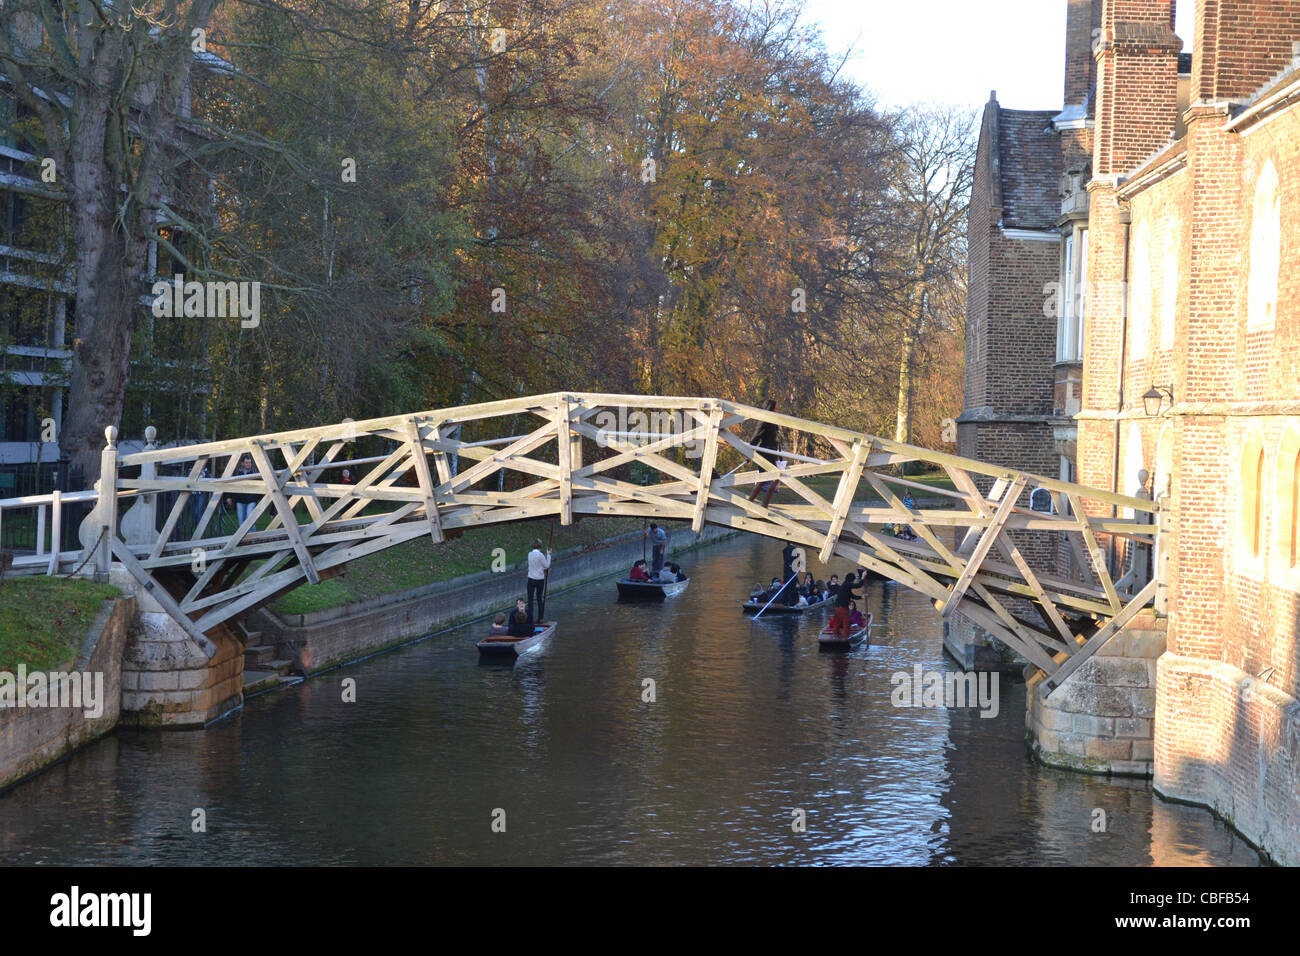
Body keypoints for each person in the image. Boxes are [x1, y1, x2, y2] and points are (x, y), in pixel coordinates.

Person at [747, 399, 781, 504]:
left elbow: (775, 439)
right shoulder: (763, 422)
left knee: (774, 479)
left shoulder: (774, 422)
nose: (777, 410)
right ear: (771, 408)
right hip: (764, 453)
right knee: (767, 479)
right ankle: (752, 503)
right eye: (775, 408)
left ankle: (762, 504)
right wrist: (748, 454)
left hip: (773, 453)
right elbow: (755, 438)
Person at [228, 453, 259, 528]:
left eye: (250, 462)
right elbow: (230, 485)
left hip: (251, 499)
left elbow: (260, 485)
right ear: (242, 463)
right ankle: (243, 539)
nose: (249, 464)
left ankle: (253, 538)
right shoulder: (237, 473)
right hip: (240, 500)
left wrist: (259, 498)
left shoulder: (255, 472)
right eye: (246, 462)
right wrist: (228, 497)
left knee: (250, 519)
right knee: (241, 521)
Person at [831, 572, 865, 638]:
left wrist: (861, 597)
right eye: (853, 580)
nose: (853, 582)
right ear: (851, 580)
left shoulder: (844, 586)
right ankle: (844, 640)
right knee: (846, 625)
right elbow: (858, 585)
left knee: (837, 624)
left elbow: (852, 596)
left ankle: (834, 638)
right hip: (843, 609)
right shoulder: (847, 584)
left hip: (837, 608)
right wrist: (863, 577)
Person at [527, 538, 551, 622]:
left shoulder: (529, 554)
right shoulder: (540, 555)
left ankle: (530, 618)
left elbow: (536, 565)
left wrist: (542, 567)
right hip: (539, 580)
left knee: (530, 599)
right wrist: (548, 555)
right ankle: (540, 618)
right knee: (539, 598)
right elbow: (546, 565)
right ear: (540, 546)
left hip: (530, 579)